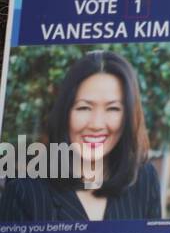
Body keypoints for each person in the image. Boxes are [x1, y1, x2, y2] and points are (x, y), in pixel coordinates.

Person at [0, 51, 161, 222]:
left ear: (128, 117)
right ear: (65, 112)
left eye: (113, 108)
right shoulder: (23, 191)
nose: (96, 124)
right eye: (84, 108)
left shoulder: (144, 179)